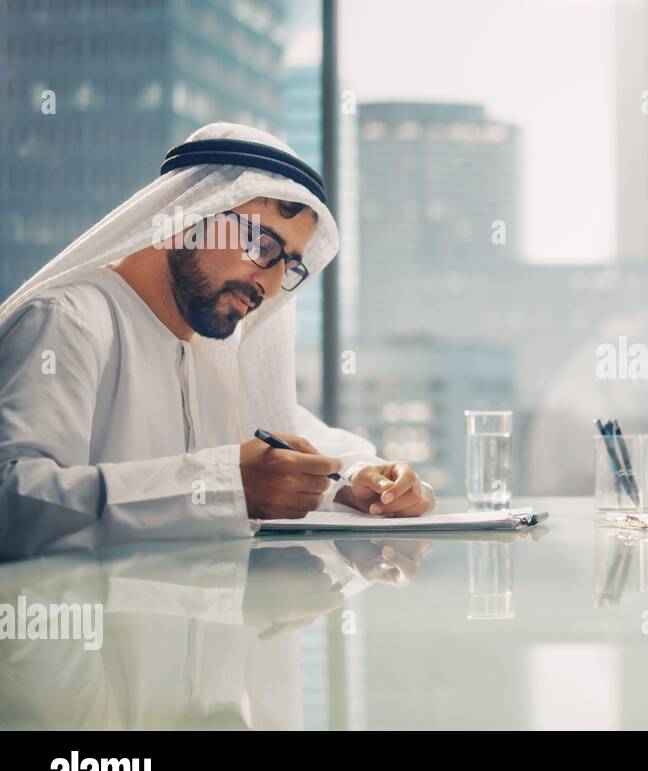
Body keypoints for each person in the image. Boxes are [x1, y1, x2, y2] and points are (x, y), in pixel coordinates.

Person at [0, 123, 434, 555]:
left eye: (290, 265)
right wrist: (226, 486)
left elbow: (293, 436)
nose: (271, 281)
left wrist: (366, 481)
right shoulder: (68, 321)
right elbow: (16, 501)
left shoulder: (213, 351)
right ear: (187, 215)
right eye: (263, 244)